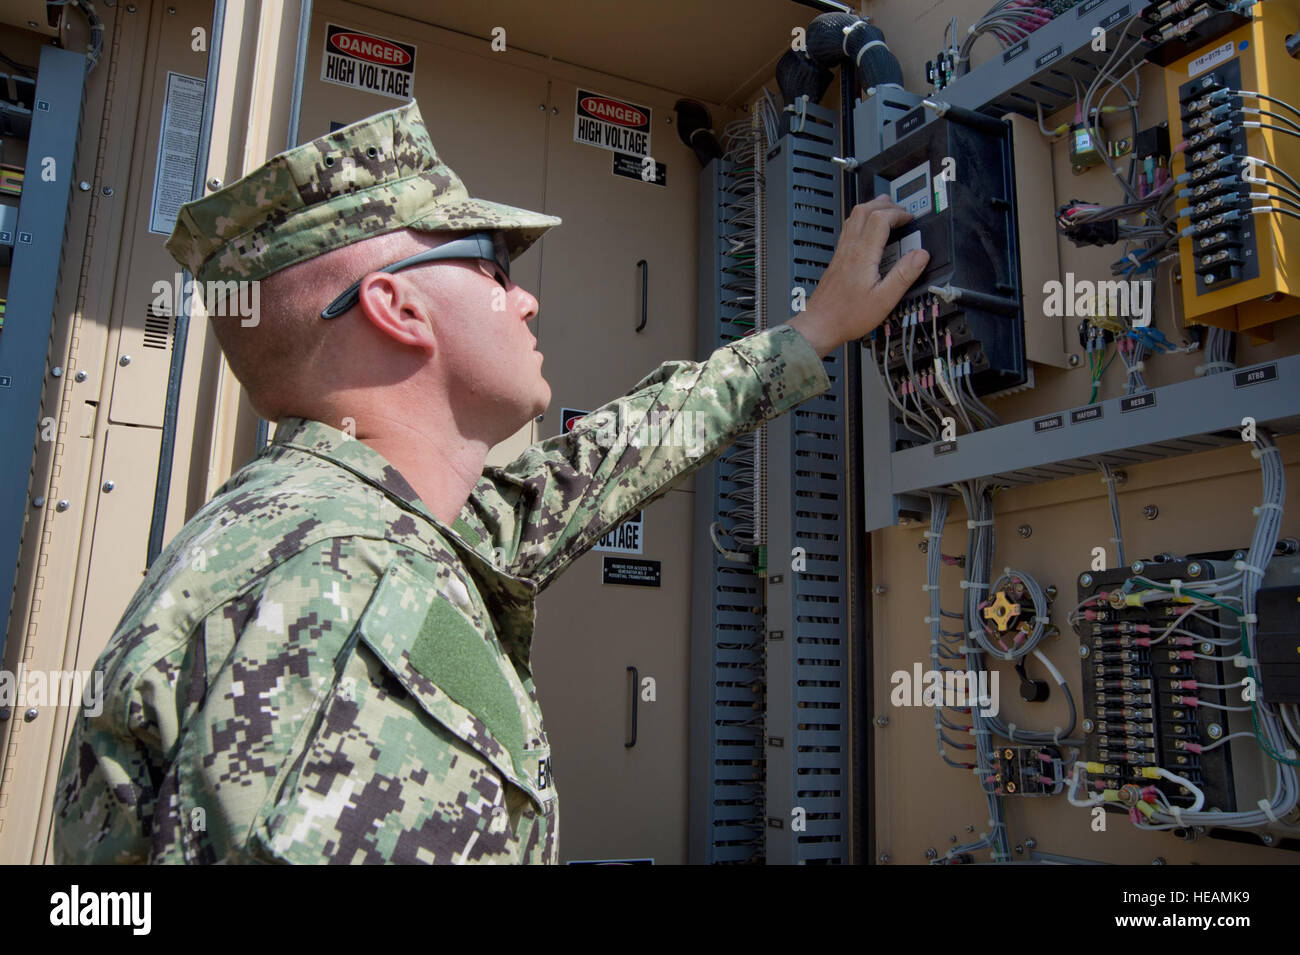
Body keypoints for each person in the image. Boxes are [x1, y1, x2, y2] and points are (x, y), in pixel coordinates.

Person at [52, 99, 928, 864]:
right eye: (490, 267)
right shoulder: (344, 597)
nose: (525, 300)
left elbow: (612, 456)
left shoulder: (369, 524)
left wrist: (810, 332)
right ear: (396, 307)